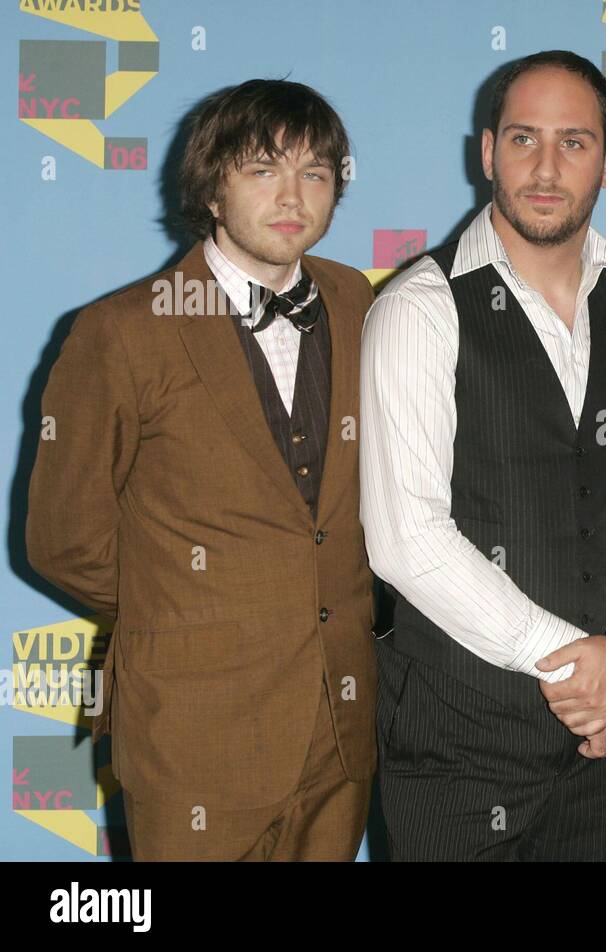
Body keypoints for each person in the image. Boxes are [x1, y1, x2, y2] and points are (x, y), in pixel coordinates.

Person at [359, 51, 606, 861]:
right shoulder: (420, 307)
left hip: (590, 750)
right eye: (523, 139)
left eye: (575, 142)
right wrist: (586, 670)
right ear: (487, 153)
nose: (546, 169)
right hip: (454, 750)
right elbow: (406, 535)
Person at [27, 79, 378, 860]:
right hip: (193, 734)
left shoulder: (358, 300)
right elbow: (63, 539)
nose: (294, 196)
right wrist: (197, 606)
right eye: (263, 170)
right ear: (212, 188)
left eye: (316, 173)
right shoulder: (119, 331)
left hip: (341, 730)